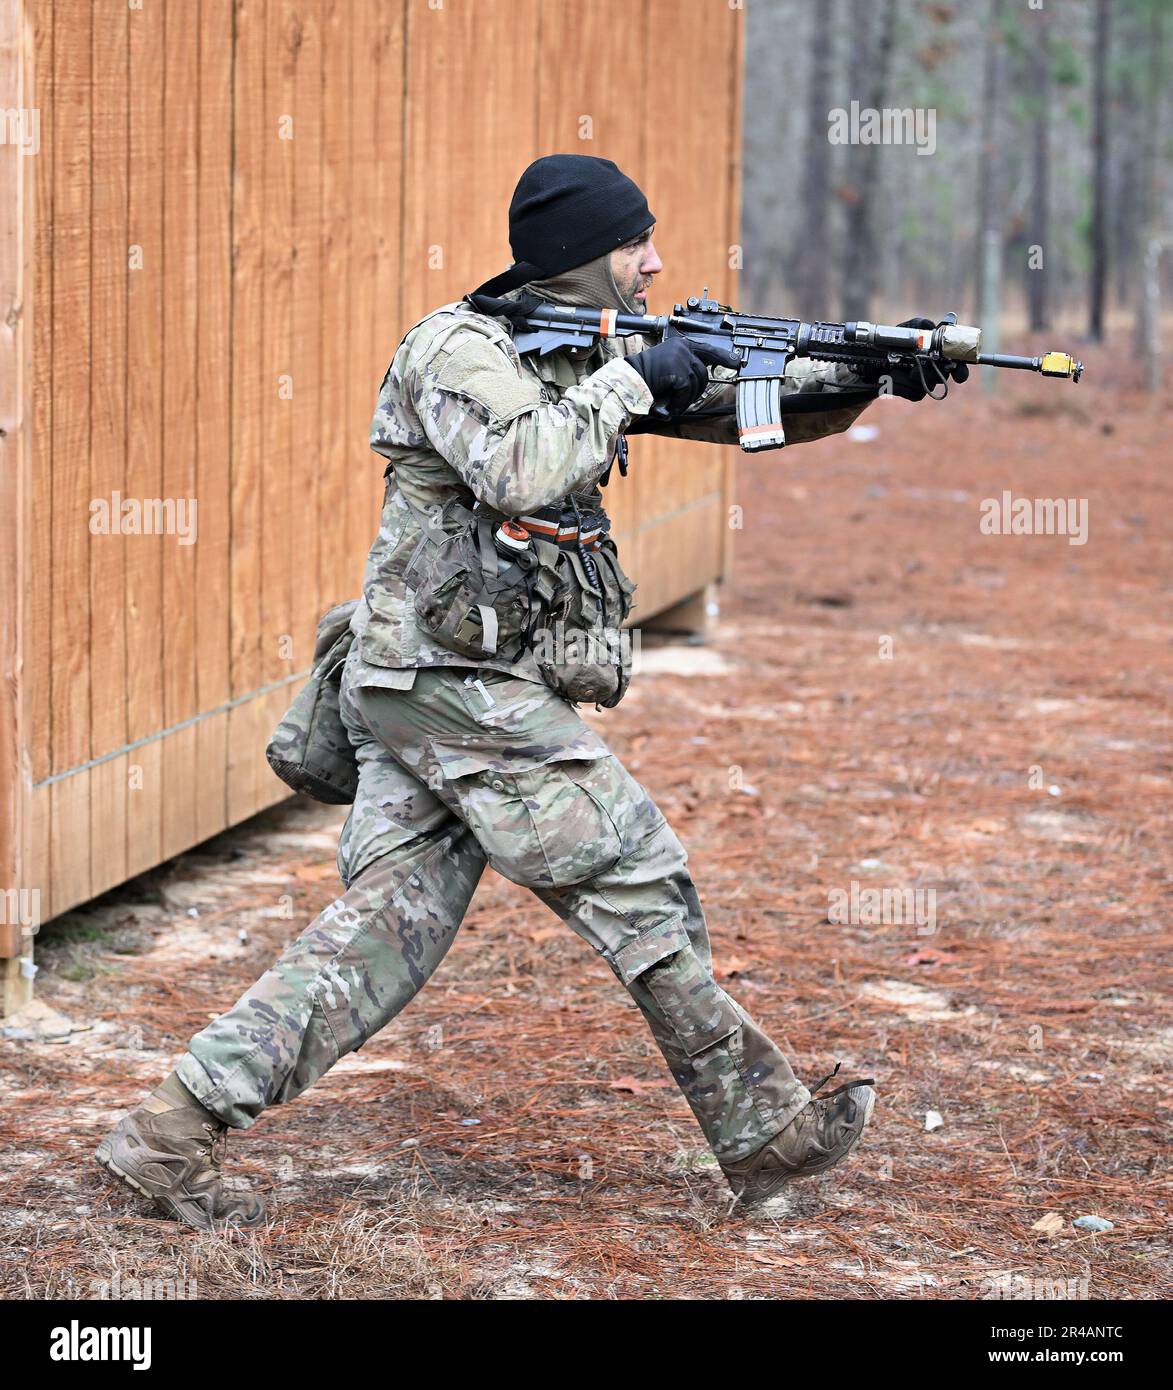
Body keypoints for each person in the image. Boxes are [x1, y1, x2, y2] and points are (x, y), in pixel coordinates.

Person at [96, 155, 954, 1232]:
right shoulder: (455, 352)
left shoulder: (594, 350)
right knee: (633, 865)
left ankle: (166, 1138)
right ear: (586, 256)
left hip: (455, 683)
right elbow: (517, 463)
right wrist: (639, 377)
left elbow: (738, 406)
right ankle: (764, 1125)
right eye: (636, 243)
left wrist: (872, 371)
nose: (655, 261)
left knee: (381, 935)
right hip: (442, 682)